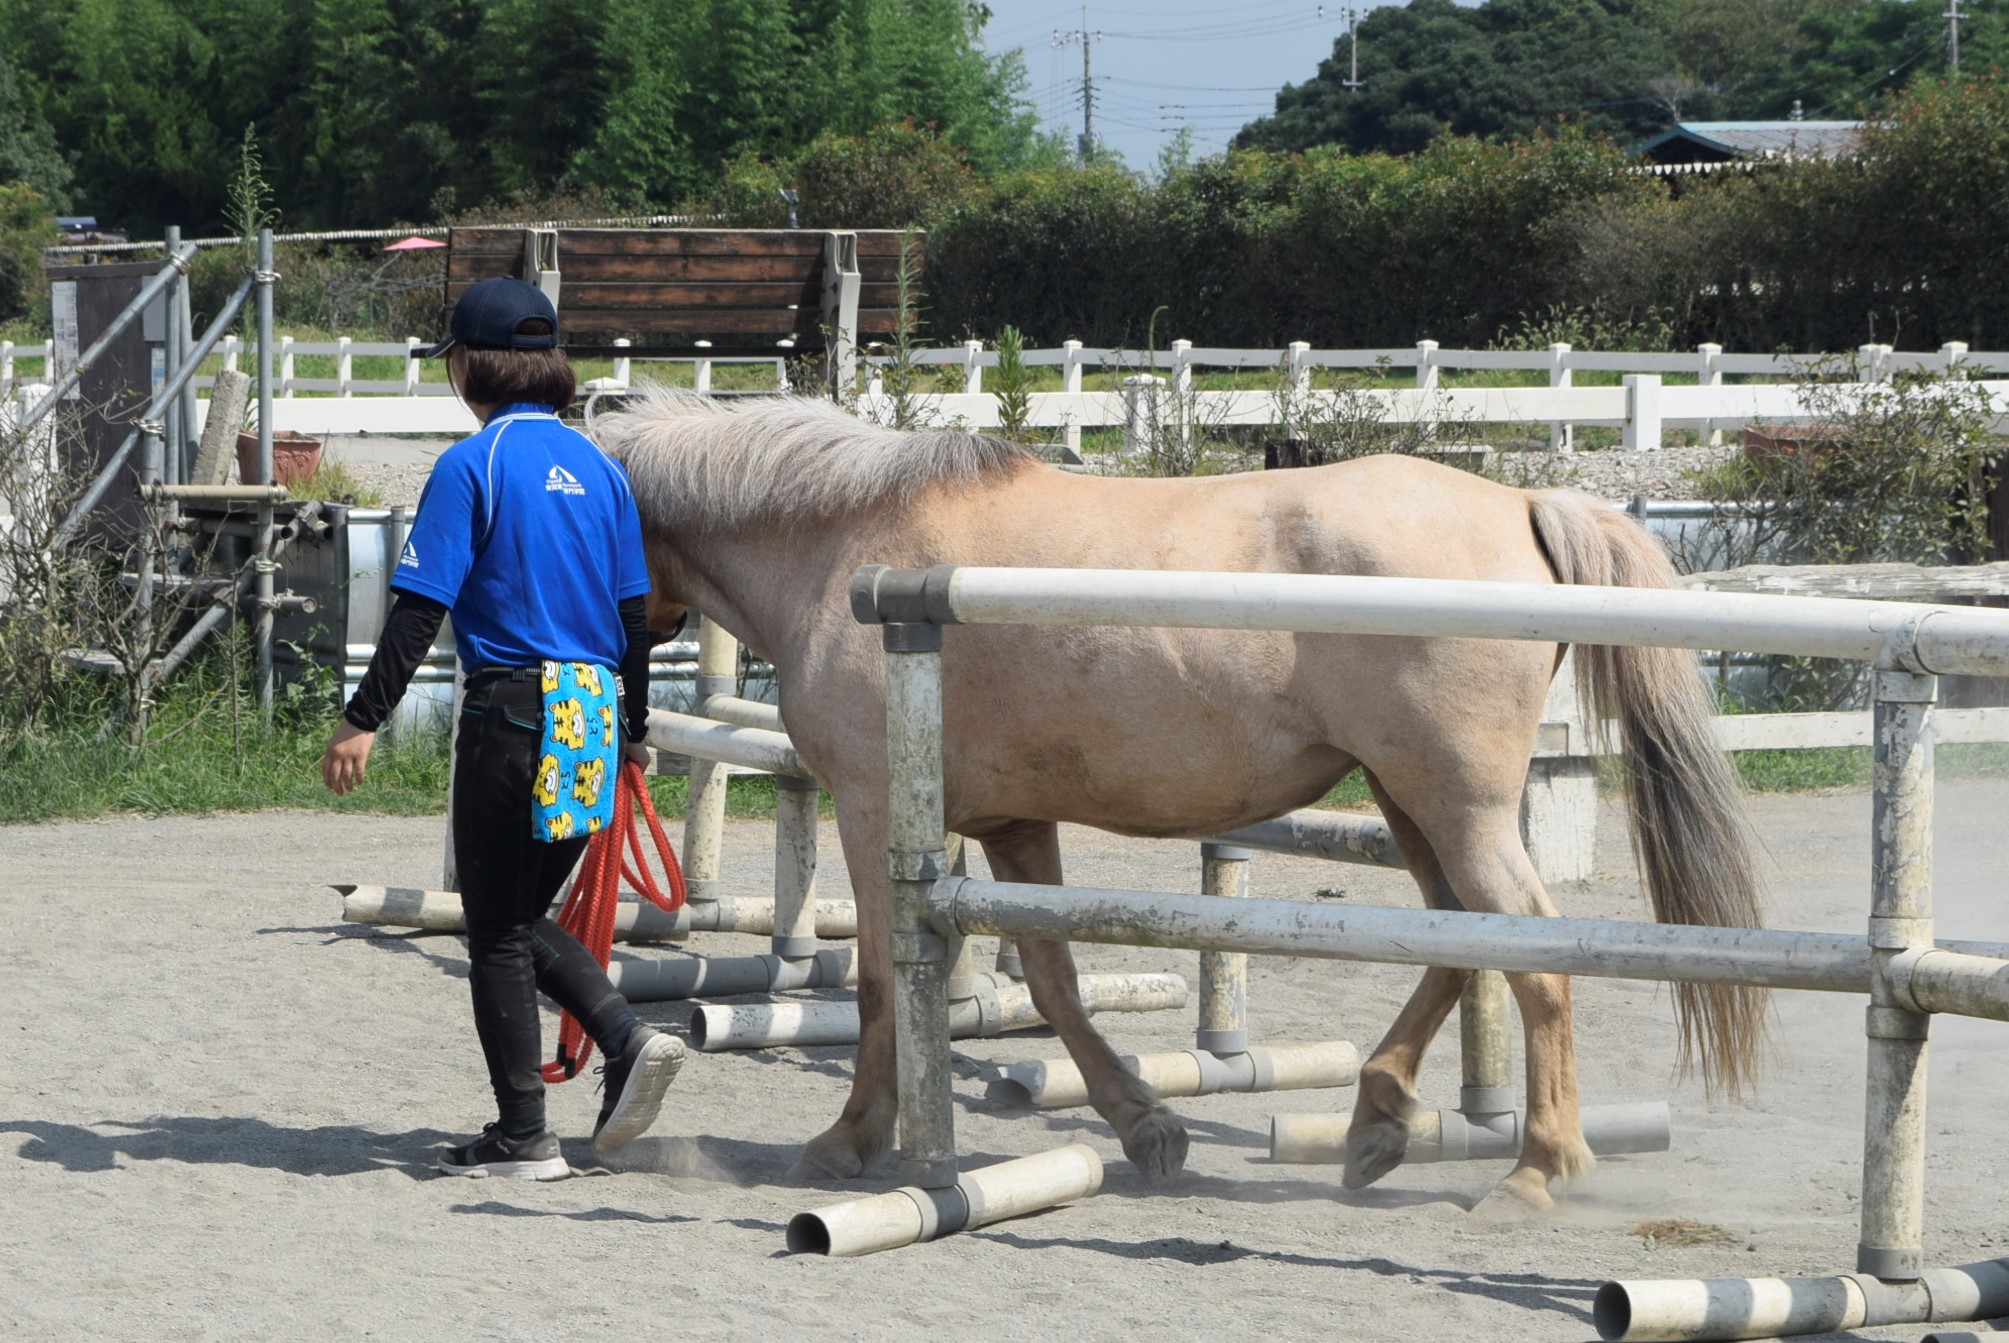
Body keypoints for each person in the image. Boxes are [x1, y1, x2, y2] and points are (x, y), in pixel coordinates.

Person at [321, 276, 684, 1180]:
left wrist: (362, 718)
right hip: (591, 713)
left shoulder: (471, 464)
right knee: (518, 919)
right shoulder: (601, 471)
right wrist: (634, 726)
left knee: (495, 931)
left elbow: (419, 607)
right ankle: (623, 1040)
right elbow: (633, 618)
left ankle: (530, 1129)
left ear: (470, 366)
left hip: (512, 710)